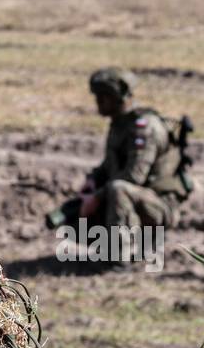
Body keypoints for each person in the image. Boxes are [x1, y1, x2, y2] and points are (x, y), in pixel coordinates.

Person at [73, 68, 191, 265]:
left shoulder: (144, 128)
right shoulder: (119, 124)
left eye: (104, 96)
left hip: (159, 205)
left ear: (119, 97)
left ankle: (121, 256)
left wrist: (97, 198)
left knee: (118, 189)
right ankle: (109, 245)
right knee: (74, 209)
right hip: (138, 198)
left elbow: (134, 177)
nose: (98, 102)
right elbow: (109, 165)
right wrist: (92, 181)